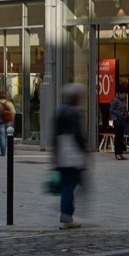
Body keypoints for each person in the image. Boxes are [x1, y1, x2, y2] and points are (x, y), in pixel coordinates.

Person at [52, 83, 90, 228]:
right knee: (70, 184)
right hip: (71, 153)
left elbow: (54, 135)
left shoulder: (60, 110)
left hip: (62, 152)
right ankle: (66, 215)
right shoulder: (73, 112)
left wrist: (54, 156)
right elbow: (78, 135)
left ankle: (66, 213)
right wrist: (84, 150)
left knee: (68, 183)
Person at [0, 93, 16, 158]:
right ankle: (10, 151)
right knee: (9, 137)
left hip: (0, 122)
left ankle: (3, 152)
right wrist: (12, 119)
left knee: (2, 137)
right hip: (9, 121)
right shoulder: (9, 103)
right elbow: (14, 112)